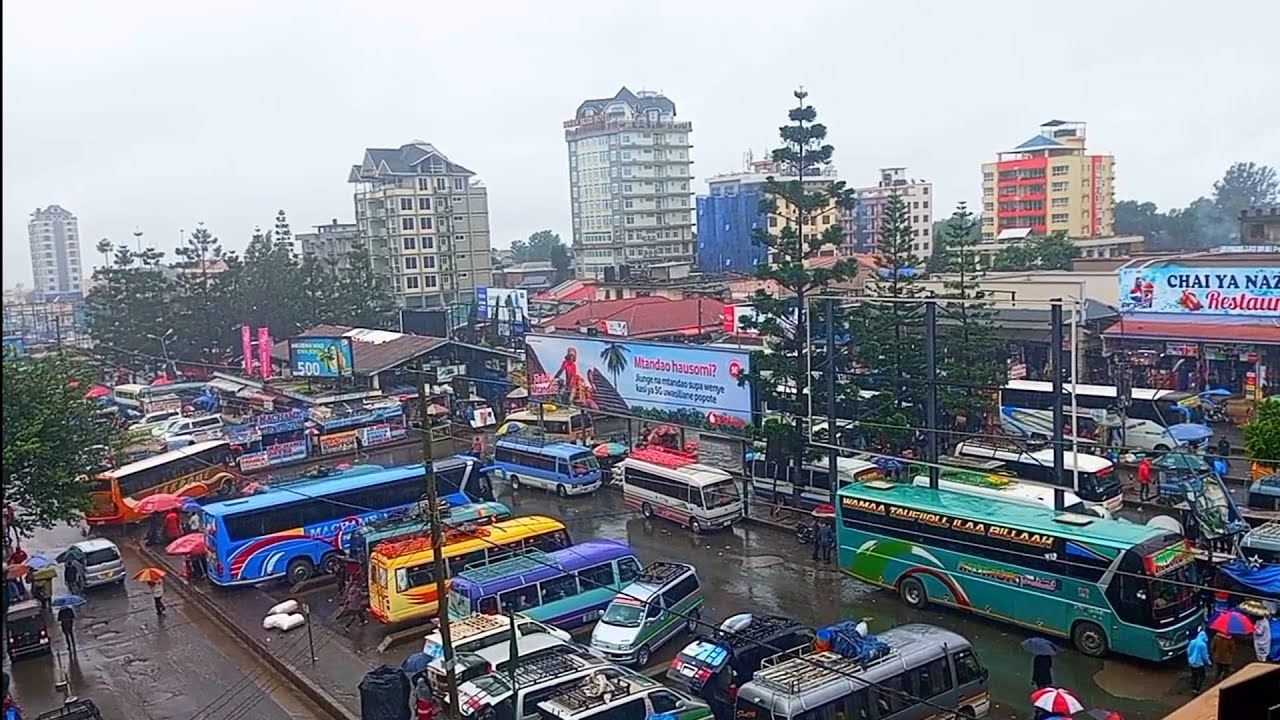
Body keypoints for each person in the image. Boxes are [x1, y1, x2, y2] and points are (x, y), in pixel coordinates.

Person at [1186, 626, 1209, 694]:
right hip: (1199, 664)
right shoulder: (1203, 645)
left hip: (1191, 663)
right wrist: (1208, 662)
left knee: (1194, 675)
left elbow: (1188, 651)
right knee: (1202, 676)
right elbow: (1204, 656)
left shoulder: (1192, 642)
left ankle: (1193, 687)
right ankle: (1197, 689)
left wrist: (1190, 659)